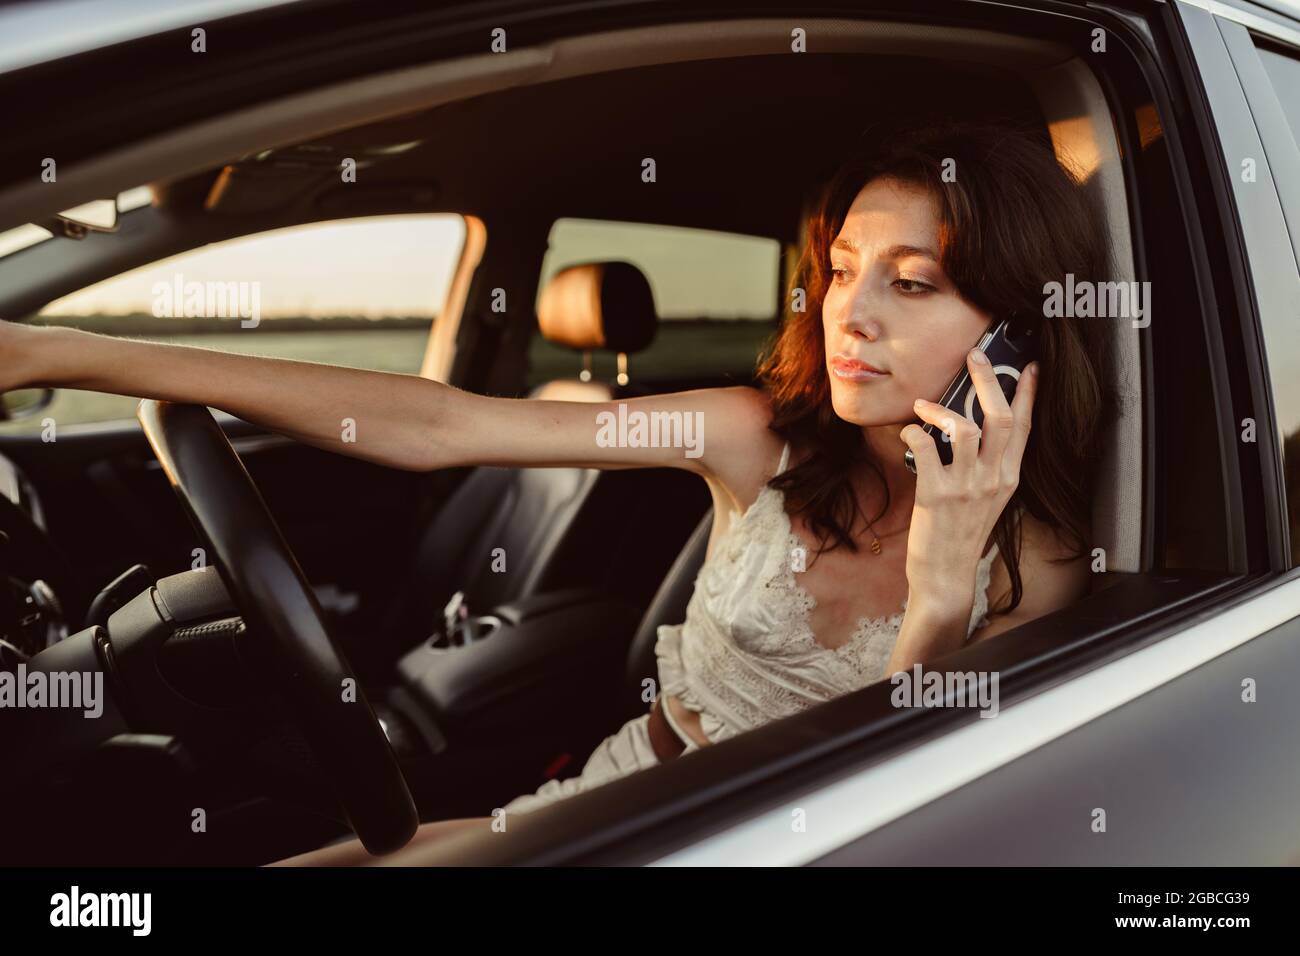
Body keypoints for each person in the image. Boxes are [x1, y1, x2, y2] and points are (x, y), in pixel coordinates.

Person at [0, 117, 1114, 865]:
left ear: (1015, 331)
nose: (848, 312)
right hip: (605, 797)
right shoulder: (757, 437)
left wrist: (935, 592)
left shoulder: (1044, 572)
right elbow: (445, 425)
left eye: (909, 283)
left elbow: (915, 802)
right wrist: (69, 354)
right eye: (839, 269)